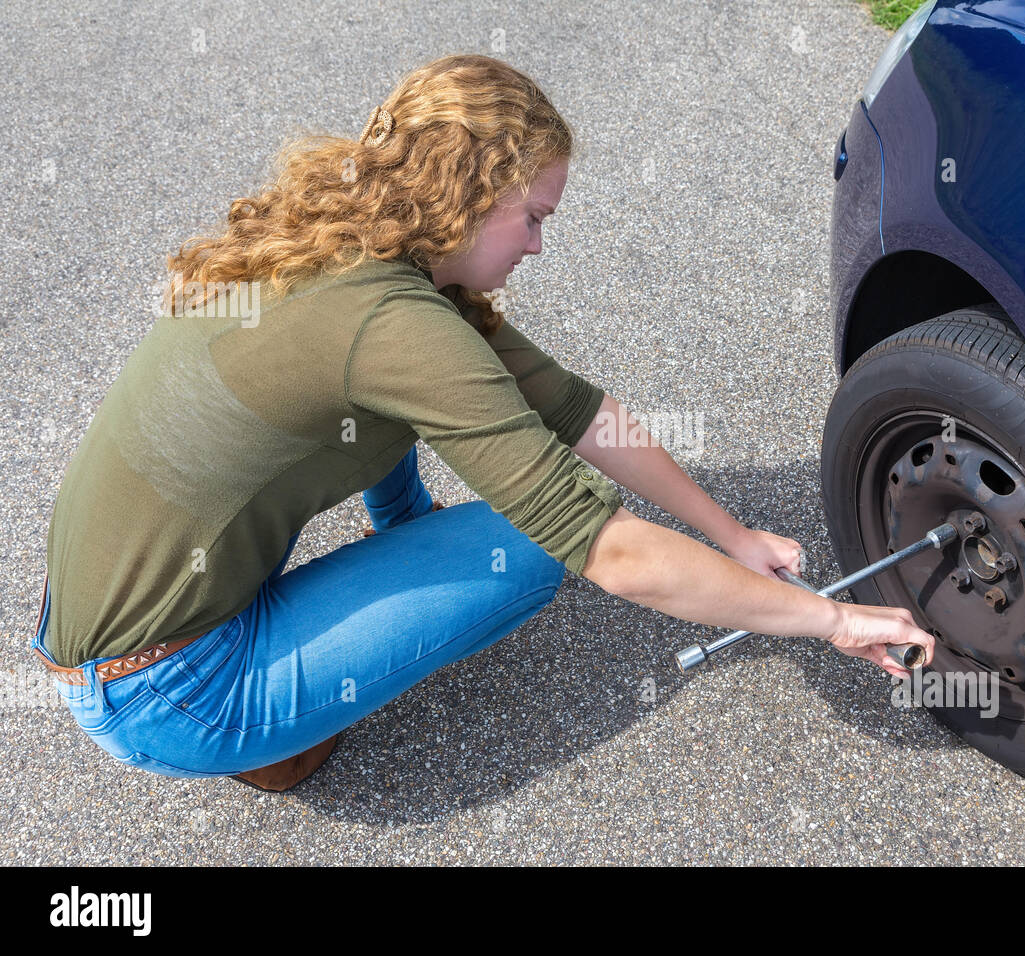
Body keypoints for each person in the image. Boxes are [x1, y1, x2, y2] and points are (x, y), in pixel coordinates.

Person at [30, 54, 933, 792]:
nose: (539, 244)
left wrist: (729, 534)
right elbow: (607, 551)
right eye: (534, 217)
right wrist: (832, 623)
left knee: (379, 411)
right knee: (535, 545)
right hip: (164, 688)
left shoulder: (343, 244)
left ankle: (388, 555)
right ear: (467, 195)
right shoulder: (398, 327)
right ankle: (256, 735)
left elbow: (579, 411)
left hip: (112, 620)